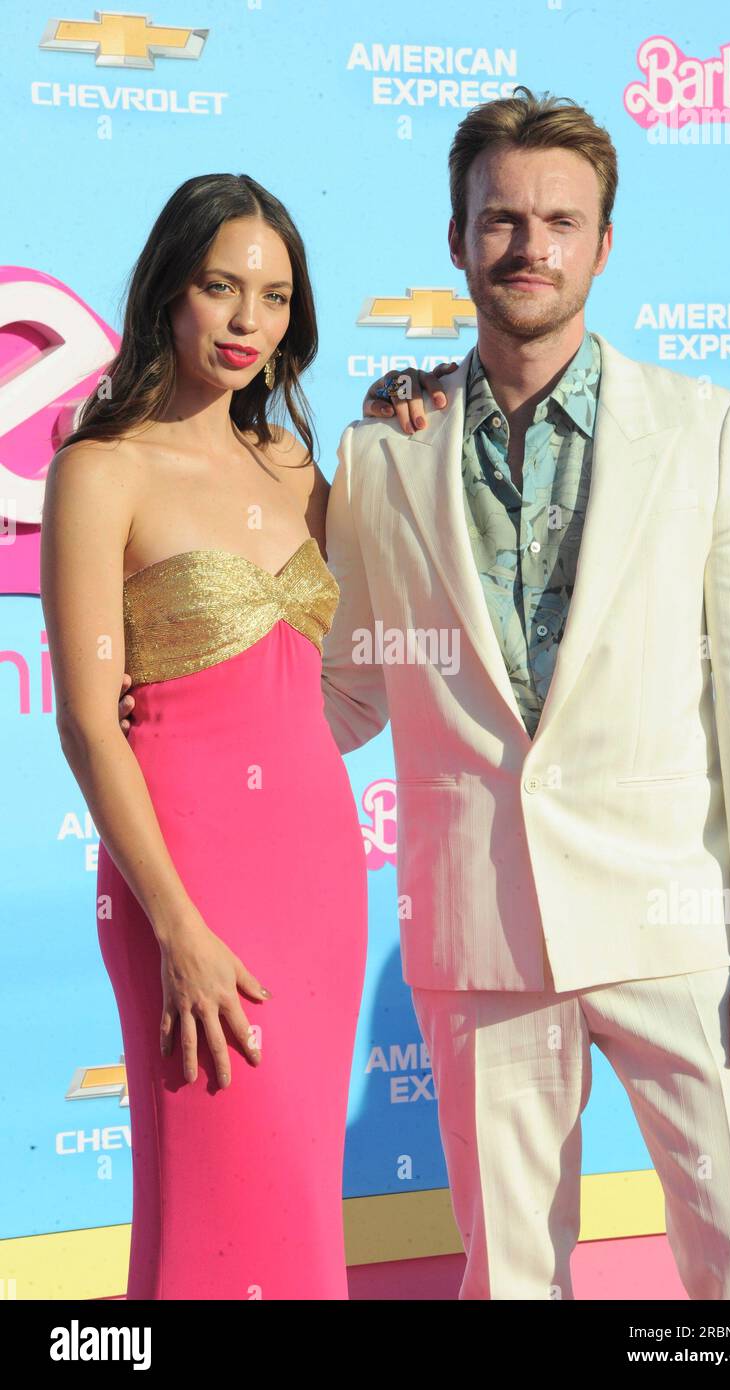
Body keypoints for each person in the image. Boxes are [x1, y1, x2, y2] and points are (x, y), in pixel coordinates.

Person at [118, 90, 730, 1300]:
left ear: (602, 243)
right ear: (457, 240)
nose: (527, 245)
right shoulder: (381, 449)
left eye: (558, 220)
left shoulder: (707, 432)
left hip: (676, 928)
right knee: (506, 1284)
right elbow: (347, 690)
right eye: (500, 219)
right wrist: (185, 714)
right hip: (478, 936)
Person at [40, 172, 416, 1300]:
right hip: (184, 883)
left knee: (299, 1195)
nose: (248, 319)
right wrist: (178, 931)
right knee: (204, 1191)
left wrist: (403, 413)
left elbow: (374, 638)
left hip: (317, 879)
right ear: (170, 292)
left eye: (274, 295)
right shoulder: (99, 470)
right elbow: (85, 726)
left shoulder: (302, 474)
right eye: (221, 286)